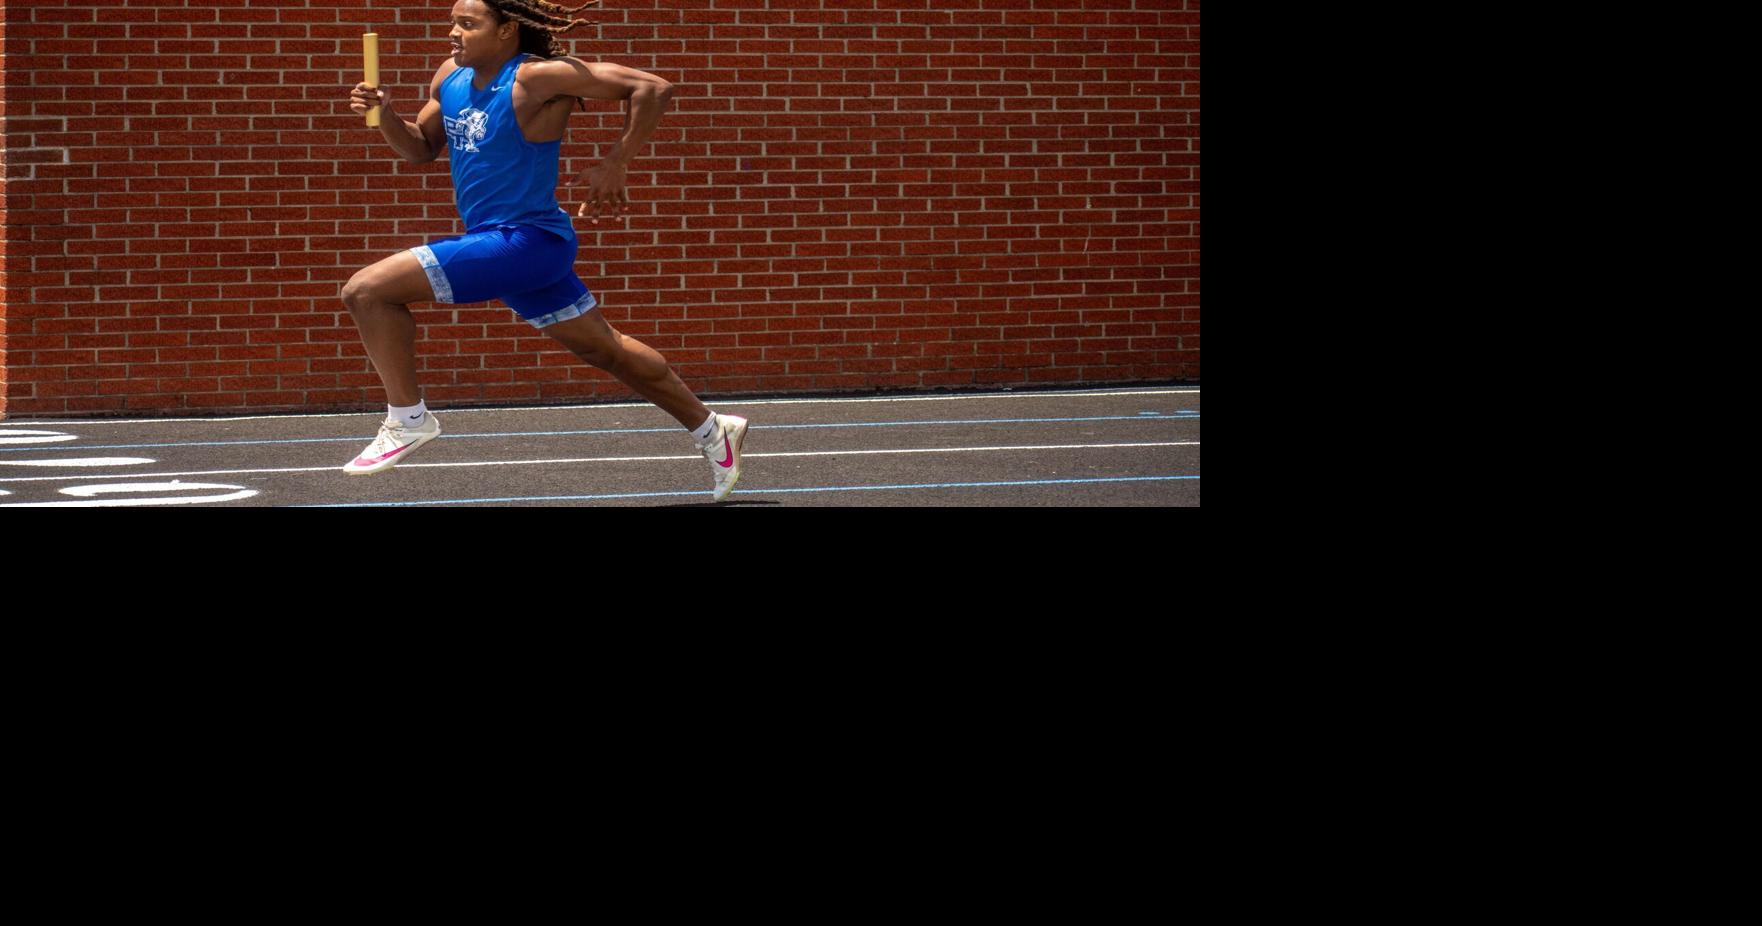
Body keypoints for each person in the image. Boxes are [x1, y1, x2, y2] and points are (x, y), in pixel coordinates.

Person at [341, 0, 748, 500]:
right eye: (453, 23)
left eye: (467, 24)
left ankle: (406, 419)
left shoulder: (535, 78)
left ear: (507, 29)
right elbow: (419, 150)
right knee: (604, 349)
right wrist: (383, 114)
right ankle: (713, 430)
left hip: (526, 240)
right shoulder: (450, 75)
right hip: (511, 245)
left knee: (367, 291)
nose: (453, 34)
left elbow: (653, 87)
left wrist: (616, 163)